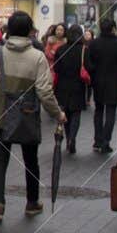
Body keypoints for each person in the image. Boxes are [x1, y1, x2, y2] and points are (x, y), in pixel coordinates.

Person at [0, 11, 64, 221]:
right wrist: (58, 113)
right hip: (27, 114)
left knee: (0, 160)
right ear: (29, 31)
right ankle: (32, 202)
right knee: (30, 160)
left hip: (0, 113)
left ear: (7, 29)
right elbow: (45, 91)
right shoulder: (38, 57)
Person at [86, 17, 117, 155]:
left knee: (98, 111)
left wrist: (93, 73)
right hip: (114, 81)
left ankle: (97, 140)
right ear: (113, 29)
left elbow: (88, 63)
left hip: (98, 80)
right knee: (111, 112)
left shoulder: (94, 44)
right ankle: (106, 141)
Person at [51, 23, 90, 154]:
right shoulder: (84, 50)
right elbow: (89, 67)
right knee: (76, 113)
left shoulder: (61, 49)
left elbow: (56, 68)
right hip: (78, 86)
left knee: (65, 113)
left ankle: (68, 138)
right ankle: (73, 138)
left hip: (62, 86)